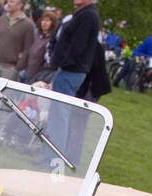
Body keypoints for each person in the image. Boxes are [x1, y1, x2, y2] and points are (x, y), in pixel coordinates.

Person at [41, 0, 99, 167]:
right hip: (68, 70)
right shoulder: (81, 15)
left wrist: (62, 64)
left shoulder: (88, 16)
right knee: (56, 115)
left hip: (71, 71)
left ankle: (53, 158)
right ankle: (48, 155)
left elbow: (77, 47)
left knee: (59, 116)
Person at [0, 0, 34, 81]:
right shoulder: (2, 18)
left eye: (12, 2)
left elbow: (28, 49)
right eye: (8, 1)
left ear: (20, 5)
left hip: (10, 68)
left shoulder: (28, 25)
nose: (8, 4)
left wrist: (18, 68)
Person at [23, 7, 57, 83]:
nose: (44, 23)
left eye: (47, 21)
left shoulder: (52, 40)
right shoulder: (37, 36)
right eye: (43, 20)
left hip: (39, 75)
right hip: (28, 71)